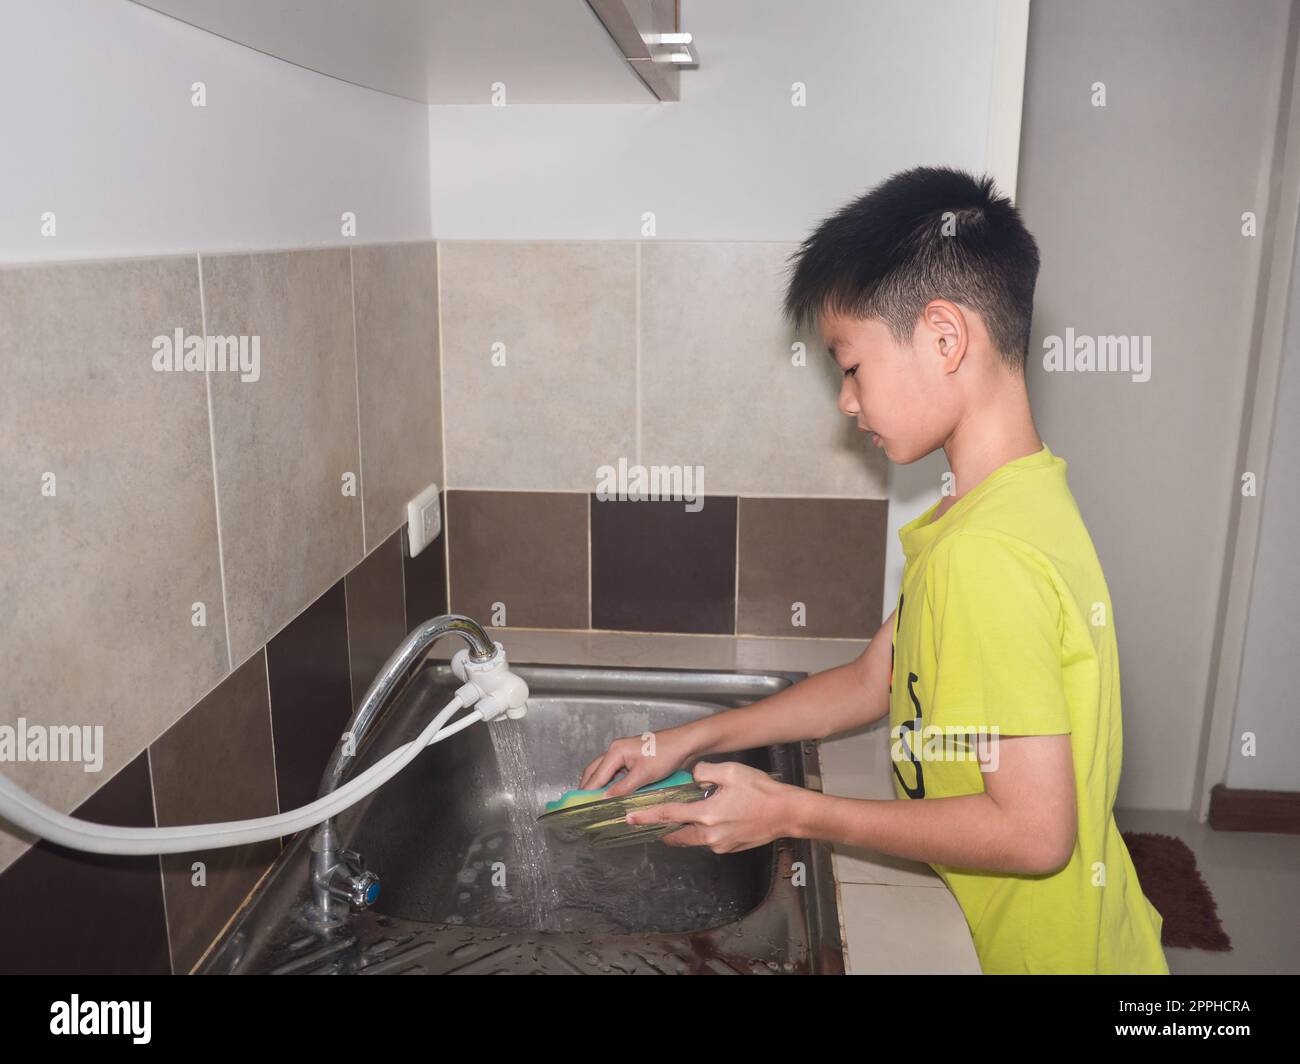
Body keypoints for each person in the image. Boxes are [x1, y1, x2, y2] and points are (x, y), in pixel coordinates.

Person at [579, 166, 1168, 975]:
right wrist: (687, 738)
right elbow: (870, 681)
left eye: (851, 366)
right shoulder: (997, 508)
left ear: (945, 337)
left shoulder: (983, 554)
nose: (846, 403)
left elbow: (1034, 835)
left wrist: (796, 811)